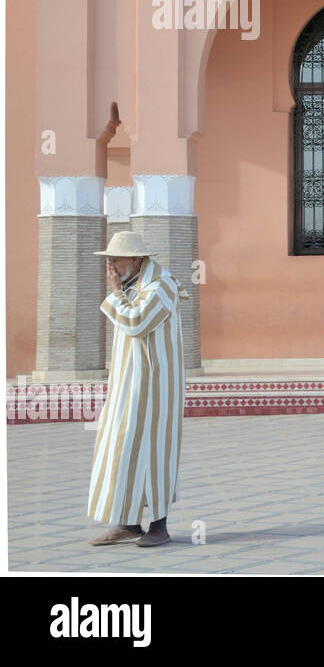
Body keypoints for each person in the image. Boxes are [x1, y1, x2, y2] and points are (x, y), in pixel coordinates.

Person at [88, 231, 190, 547]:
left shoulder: (162, 287)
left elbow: (136, 323)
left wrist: (115, 292)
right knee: (122, 448)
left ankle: (159, 525)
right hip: (127, 386)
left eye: (115, 259)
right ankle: (128, 524)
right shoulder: (136, 284)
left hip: (157, 387)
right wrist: (121, 291)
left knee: (155, 451)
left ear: (135, 259)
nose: (112, 266)